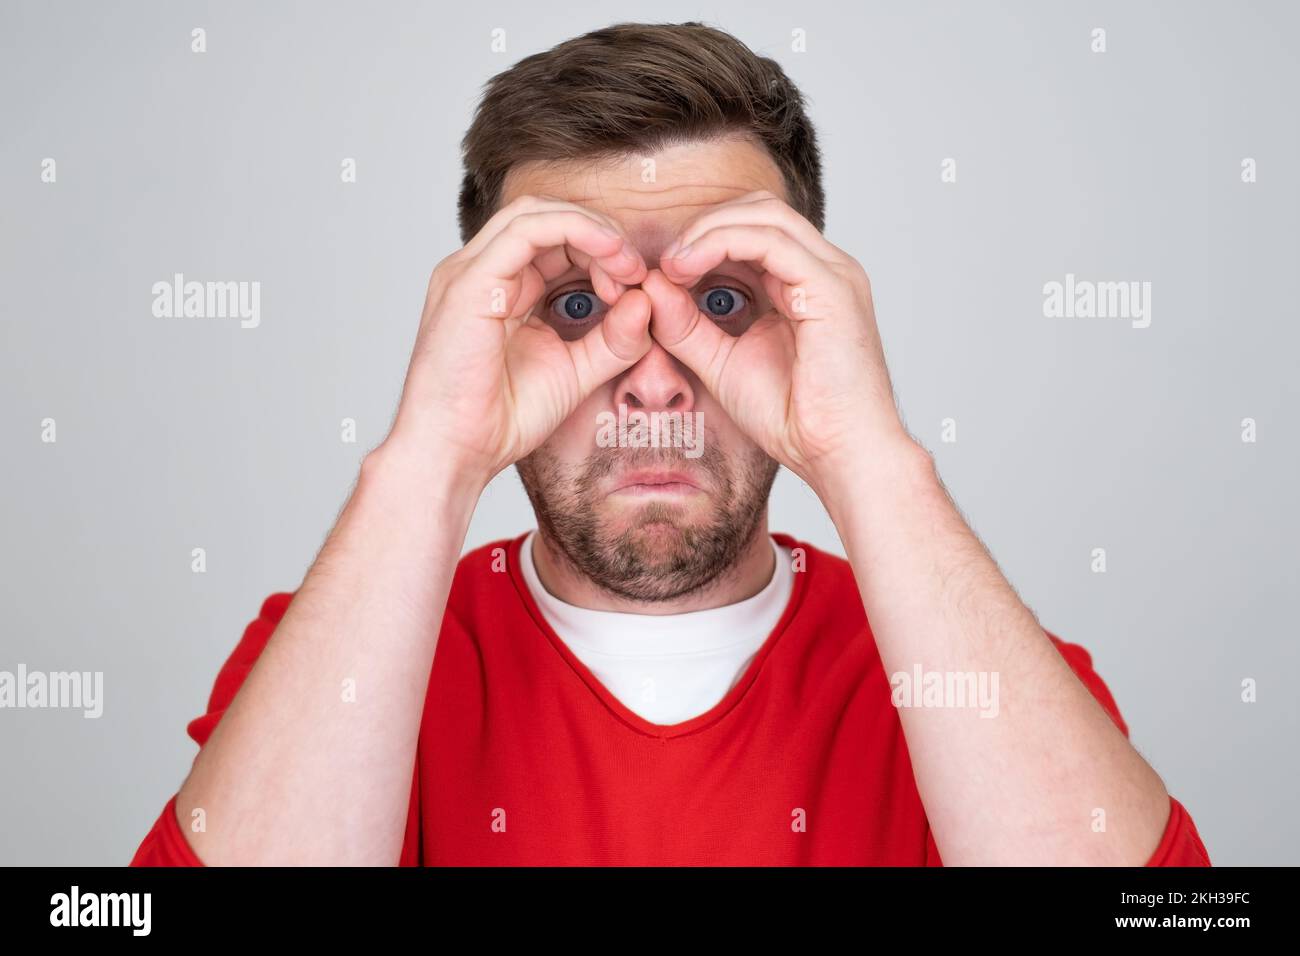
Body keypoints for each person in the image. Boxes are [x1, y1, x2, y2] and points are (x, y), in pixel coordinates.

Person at [131, 21, 1210, 866]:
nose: (652, 374)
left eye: (725, 298)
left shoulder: (965, 669)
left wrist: (868, 452)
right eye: (571, 308)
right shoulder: (347, 649)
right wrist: (429, 454)